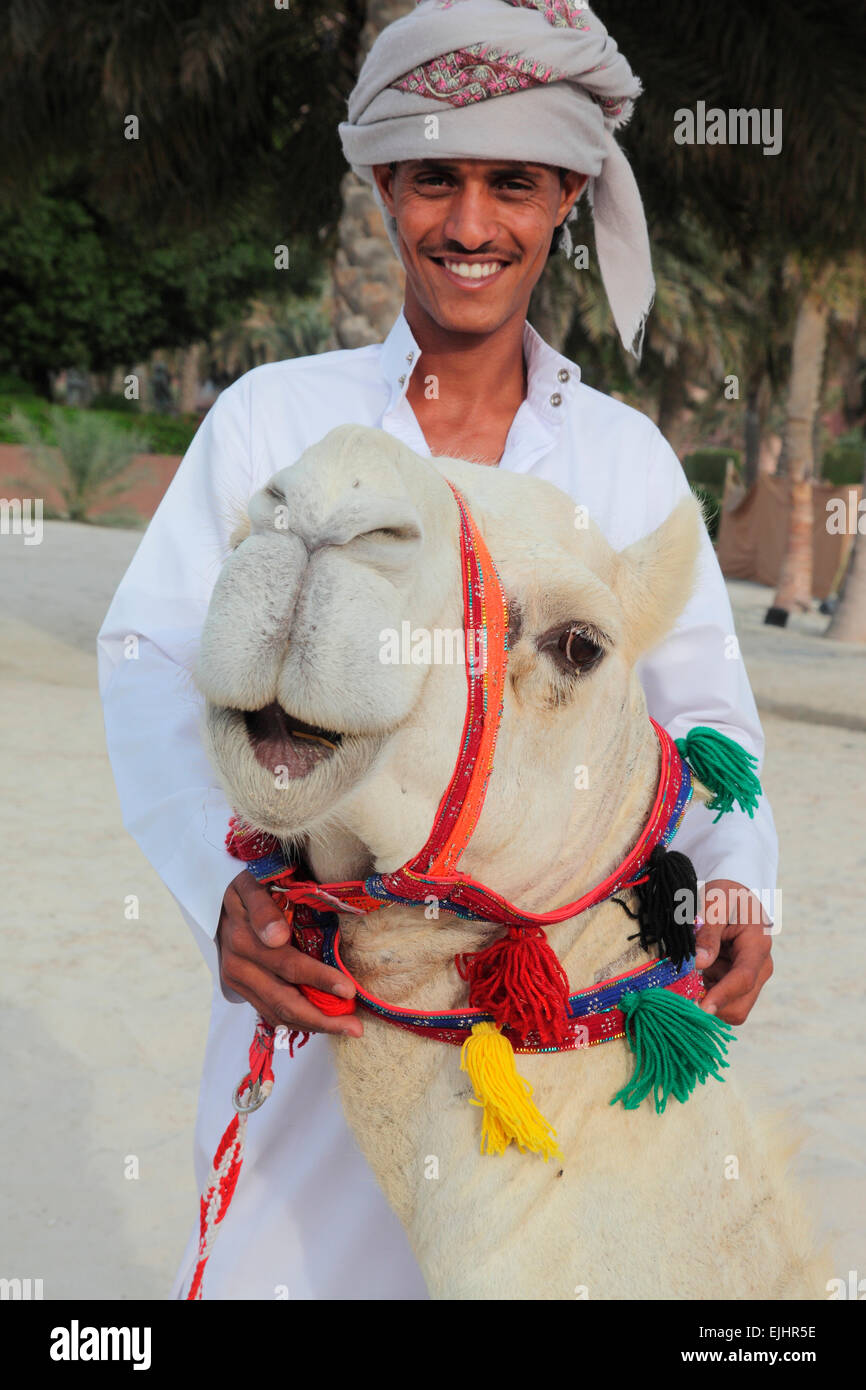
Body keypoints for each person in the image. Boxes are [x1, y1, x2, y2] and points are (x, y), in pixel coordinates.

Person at [97, 0, 777, 1301]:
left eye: (511, 183)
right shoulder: (275, 424)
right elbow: (152, 659)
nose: (470, 223)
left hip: (564, 1027)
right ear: (384, 188)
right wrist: (225, 888)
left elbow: (704, 725)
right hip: (324, 994)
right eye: (434, 180)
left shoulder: (622, 461)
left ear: (566, 197)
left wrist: (739, 885)